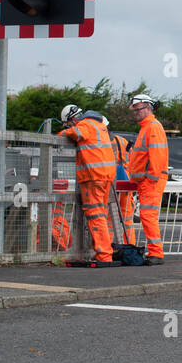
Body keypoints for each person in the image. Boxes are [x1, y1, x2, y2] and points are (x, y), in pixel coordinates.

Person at [58, 103, 118, 267]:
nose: (69, 126)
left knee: (95, 215)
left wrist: (61, 133)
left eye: (68, 123)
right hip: (105, 176)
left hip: (93, 176)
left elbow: (73, 133)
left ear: (72, 118)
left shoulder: (84, 124)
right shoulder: (98, 124)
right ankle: (105, 252)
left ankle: (104, 254)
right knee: (101, 214)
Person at [127, 93, 168, 265]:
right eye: (134, 110)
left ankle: (156, 253)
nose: (135, 112)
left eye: (138, 109)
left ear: (148, 108)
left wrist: (150, 178)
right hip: (147, 181)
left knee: (148, 216)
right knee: (147, 216)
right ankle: (155, 252)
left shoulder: (152, 126)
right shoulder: (147, 127)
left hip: (150, 181)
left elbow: (156, 155)